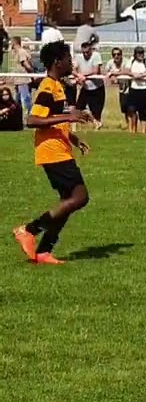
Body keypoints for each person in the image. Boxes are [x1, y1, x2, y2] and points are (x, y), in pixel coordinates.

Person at [12, 40, 94, 265]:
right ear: (58, 62)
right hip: (52, 153)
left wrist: (75, 139)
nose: (71, 61)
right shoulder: (48, 86)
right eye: (68, 58)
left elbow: (54, 121)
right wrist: (69, 117)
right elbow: (33, 120)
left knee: (67, 201)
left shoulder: (57, 86)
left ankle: (44, 251)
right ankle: (27, 230)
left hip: (60, 149)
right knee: (80, 197)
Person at [71, 41, 104, 129]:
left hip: (97, 88)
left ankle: (97, 127)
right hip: (86, 88)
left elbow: (95, 71)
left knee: (97, 112)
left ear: (91, 50)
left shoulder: (96, 55)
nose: (85, 54)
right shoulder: (79, 57)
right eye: (84, 52)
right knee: (78, 109)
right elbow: (72, 69)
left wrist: (83, 76)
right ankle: (95, 122)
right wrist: (78, 75)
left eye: (87, 52)